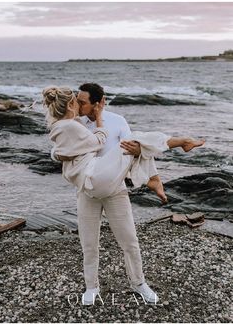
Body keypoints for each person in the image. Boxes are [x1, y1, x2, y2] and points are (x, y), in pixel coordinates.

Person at [44, 83, 205, 305]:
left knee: (130, 241)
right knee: (89, 244)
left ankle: (139, 283)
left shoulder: (117, 121)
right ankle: (91, 287)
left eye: (83, 102)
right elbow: (55, 148)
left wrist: (140, 150)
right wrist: (59, 155)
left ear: (99, 102)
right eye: (77, 101)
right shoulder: (73, 121)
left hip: (115, 189)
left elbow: (139, 152)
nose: (79, 105)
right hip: (87, 190)